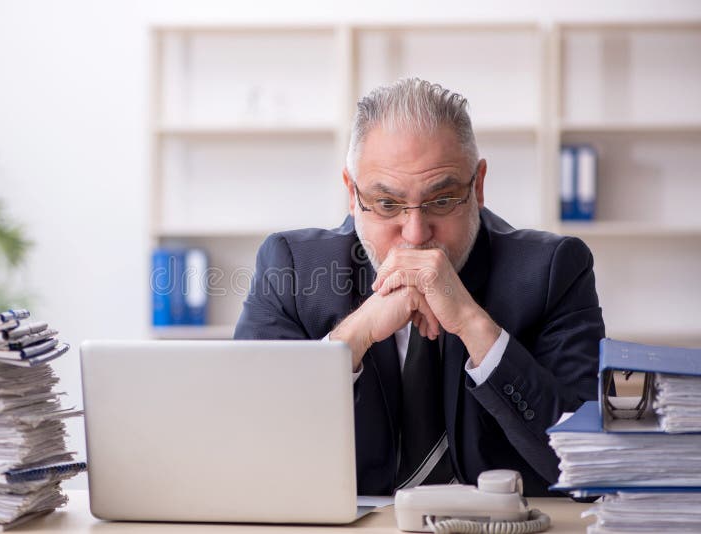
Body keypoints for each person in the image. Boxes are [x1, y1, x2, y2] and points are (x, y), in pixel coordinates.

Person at [234, 78, 604, 496]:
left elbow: (590, 467)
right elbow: (246, 451)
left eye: (441, 201)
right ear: (351, 195)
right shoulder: (293, 268)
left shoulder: (553, 271)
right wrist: (352, 339)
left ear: (478, 185)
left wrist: (474, 327)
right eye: (388, 204)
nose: (414, 235)